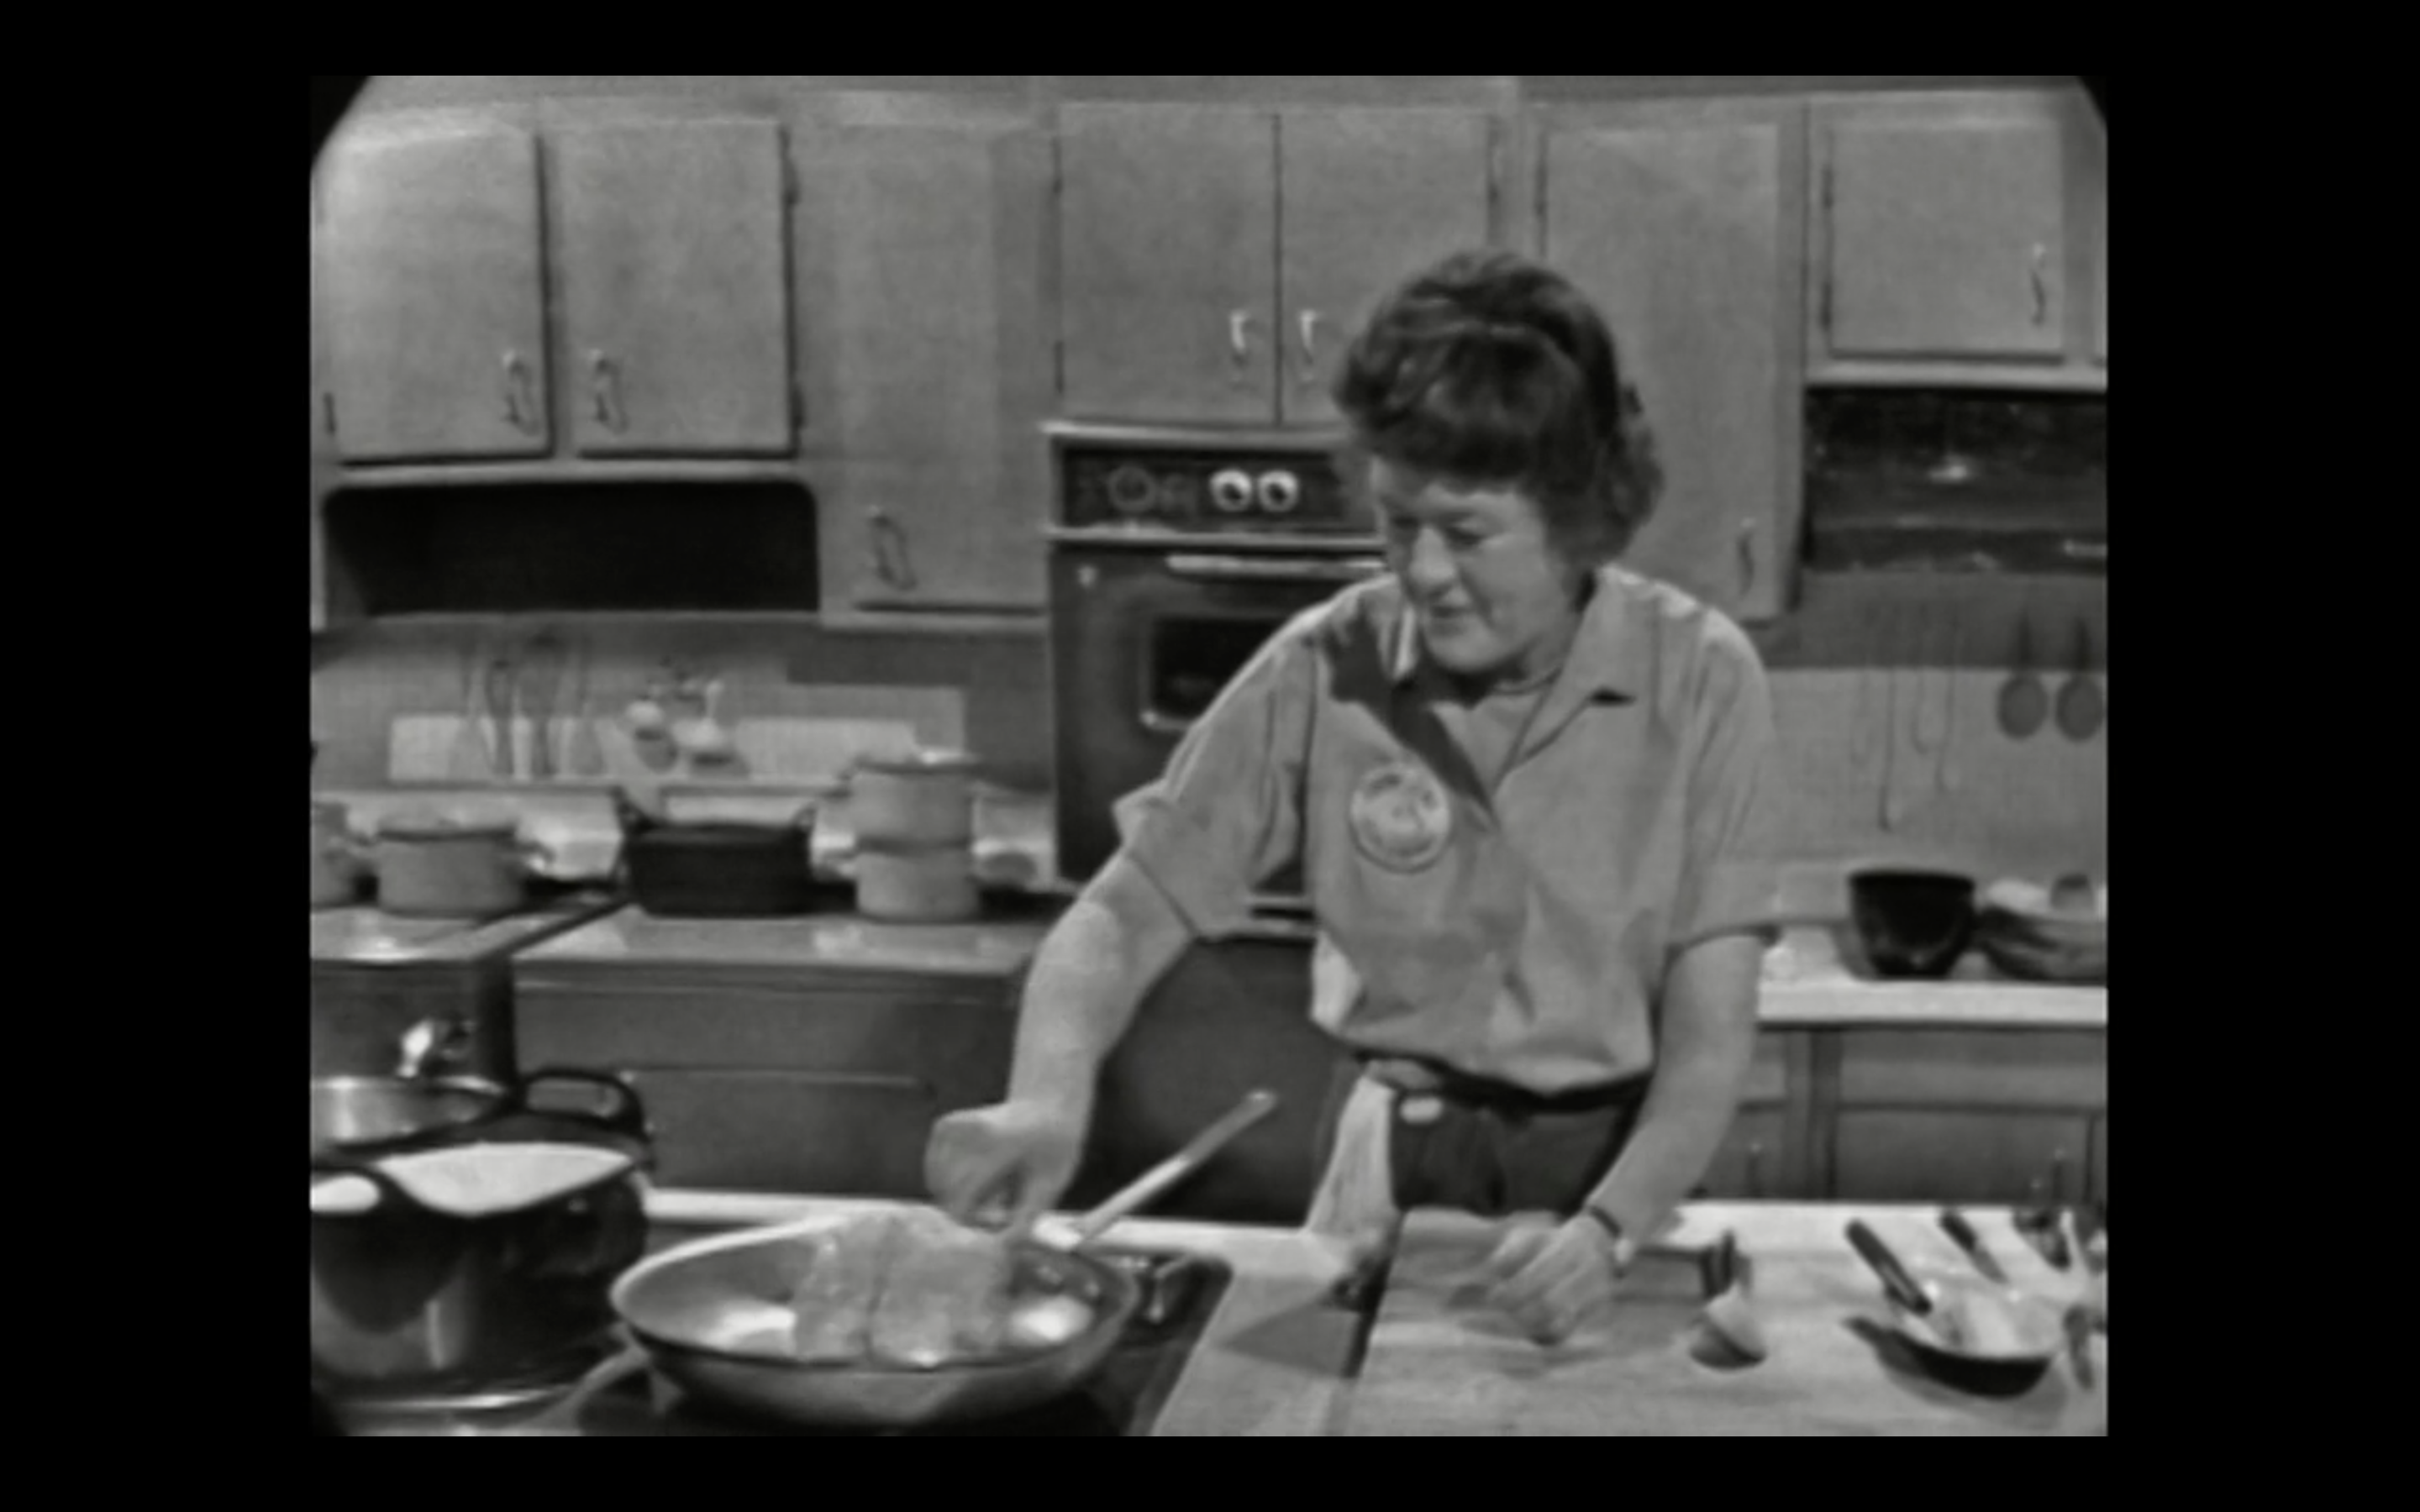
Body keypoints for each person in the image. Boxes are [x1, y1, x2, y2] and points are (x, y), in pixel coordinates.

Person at [928, 249, 1778, 1345]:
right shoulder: (1324, 663)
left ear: (1578, 518)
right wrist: (1046, 1098)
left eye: (1466, 532)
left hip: (1615, 1174)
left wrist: (1610, 1229)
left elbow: (1712, 1037)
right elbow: (1122, 914)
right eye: (1394, 523)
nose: (1421, 572)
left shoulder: (1703, 678)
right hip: (1388, 1155)